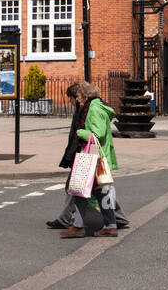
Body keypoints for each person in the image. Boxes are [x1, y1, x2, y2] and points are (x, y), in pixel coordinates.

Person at [49, 84, 129, 230]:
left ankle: (80, 226)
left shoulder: (94, 108)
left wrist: (81, 132)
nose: (77, 99)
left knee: (81, 189)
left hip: (95, 157)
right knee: (93, 191)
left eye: (78, 96)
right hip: (93, 156)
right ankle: (110, 224)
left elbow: (98, 134)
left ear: (85, 95)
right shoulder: (90, 107)